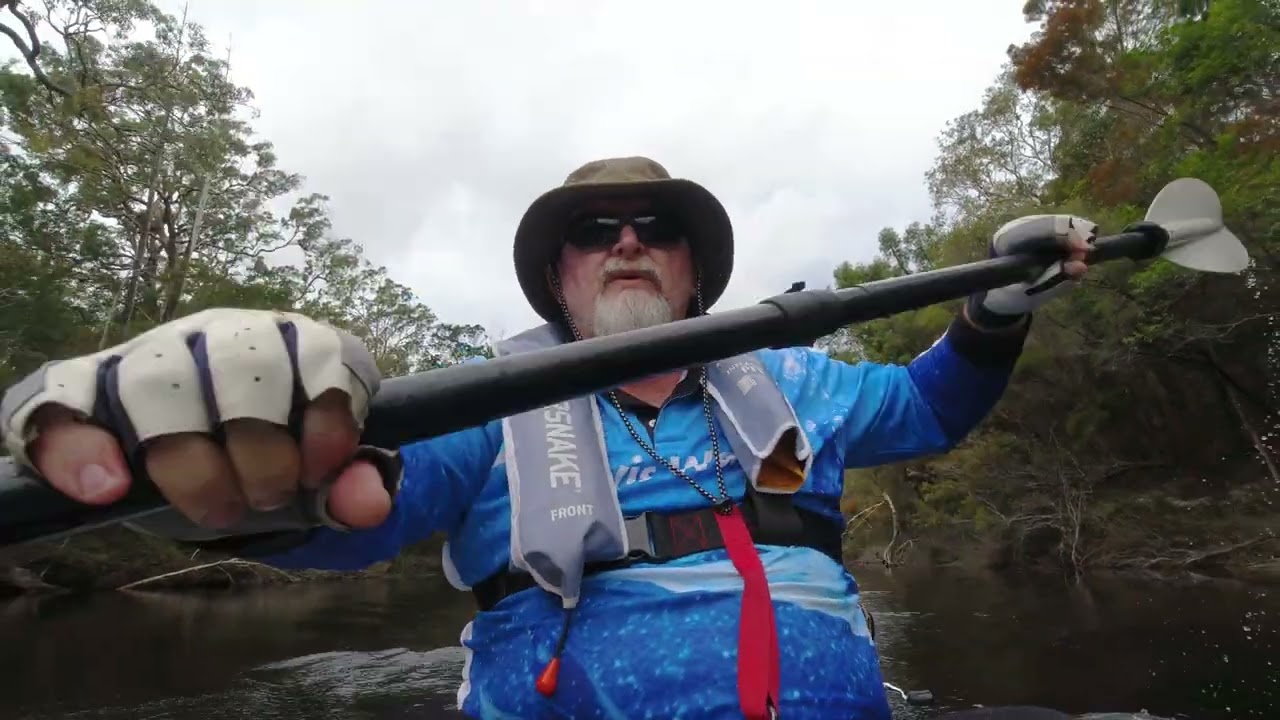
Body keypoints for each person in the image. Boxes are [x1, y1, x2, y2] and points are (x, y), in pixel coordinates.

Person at [0, 156, 1095, 719]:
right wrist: (200, 468)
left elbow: (932, 407)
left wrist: (995, 309)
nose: (626, 242)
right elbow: (342, 516)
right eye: (592, 231)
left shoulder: (798, 380)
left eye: (656, 227)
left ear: (693, 272)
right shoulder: (482, 409)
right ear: (559, 277)